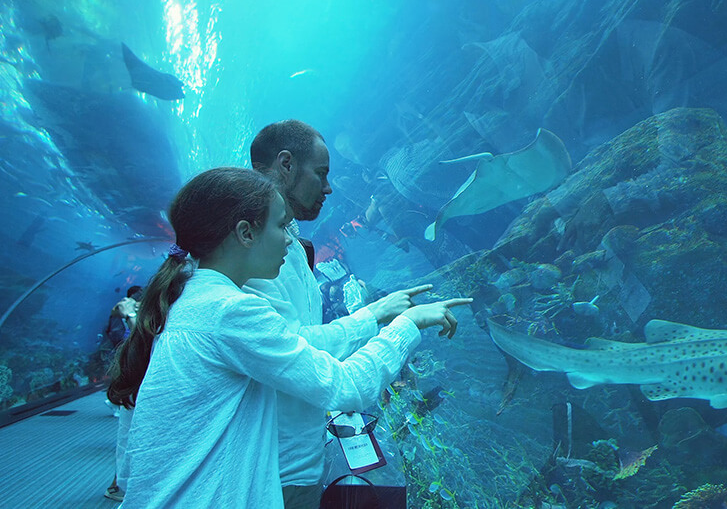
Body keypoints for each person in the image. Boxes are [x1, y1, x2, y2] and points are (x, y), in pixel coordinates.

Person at [107, 167, 470, 508]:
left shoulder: (195, 298)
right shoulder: (230, 311)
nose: (290, 241)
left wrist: (371, 316)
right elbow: (345, 386)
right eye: (282, 227)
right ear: (246, 233)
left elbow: (295, 347)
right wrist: (407, 325)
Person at [247, 120, 437, 508]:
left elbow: (295, 343)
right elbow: (305, 356)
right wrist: (396, 323)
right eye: (321, 174)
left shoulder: (290, 244)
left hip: (297, 455)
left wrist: (375, 312)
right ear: (286, 165)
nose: (329, 188)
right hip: (274, 471)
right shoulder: (254, 255)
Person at [102, 285, 142, 502]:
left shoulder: (134, 314)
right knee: (129, 436)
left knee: (128, 435)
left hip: (133, 375)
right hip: (135, 376)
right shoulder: (135, 318)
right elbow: (140, 342)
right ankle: (119, 485)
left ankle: (119, 484)